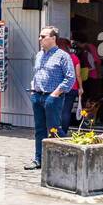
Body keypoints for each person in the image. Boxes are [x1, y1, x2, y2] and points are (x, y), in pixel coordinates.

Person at [26, 26, 76, 170]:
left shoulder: (63, 56)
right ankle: (38, 159)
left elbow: (70, 78)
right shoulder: (39, 55)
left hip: (52, 97)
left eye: (43, 36)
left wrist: (56, 93)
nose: (40, 39)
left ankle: (62, 157)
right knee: (39, 129)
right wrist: (33, 89)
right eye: (39, 36)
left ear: (53, 38)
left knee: (54, 129)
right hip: (37, 95)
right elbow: (37, 74)